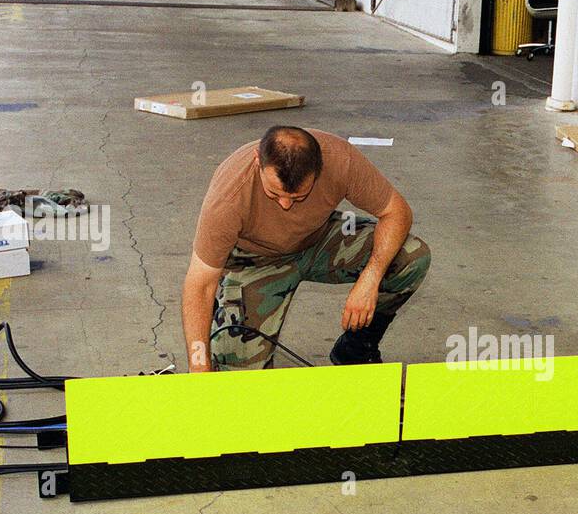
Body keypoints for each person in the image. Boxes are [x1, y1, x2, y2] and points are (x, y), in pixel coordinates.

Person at [182, 126, 431, 371]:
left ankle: (356, 348)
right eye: (274, 193)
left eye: (298, 197)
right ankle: (228, 309)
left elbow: (397, 212)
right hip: (256, 261)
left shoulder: (340, 160)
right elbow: (199, 285)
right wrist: (199, 367)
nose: (286, 205)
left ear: (319, 169)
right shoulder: (228, 196)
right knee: (237, 382)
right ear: (258, 160)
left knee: (411, 257)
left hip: (318, 239)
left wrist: (371, 279)